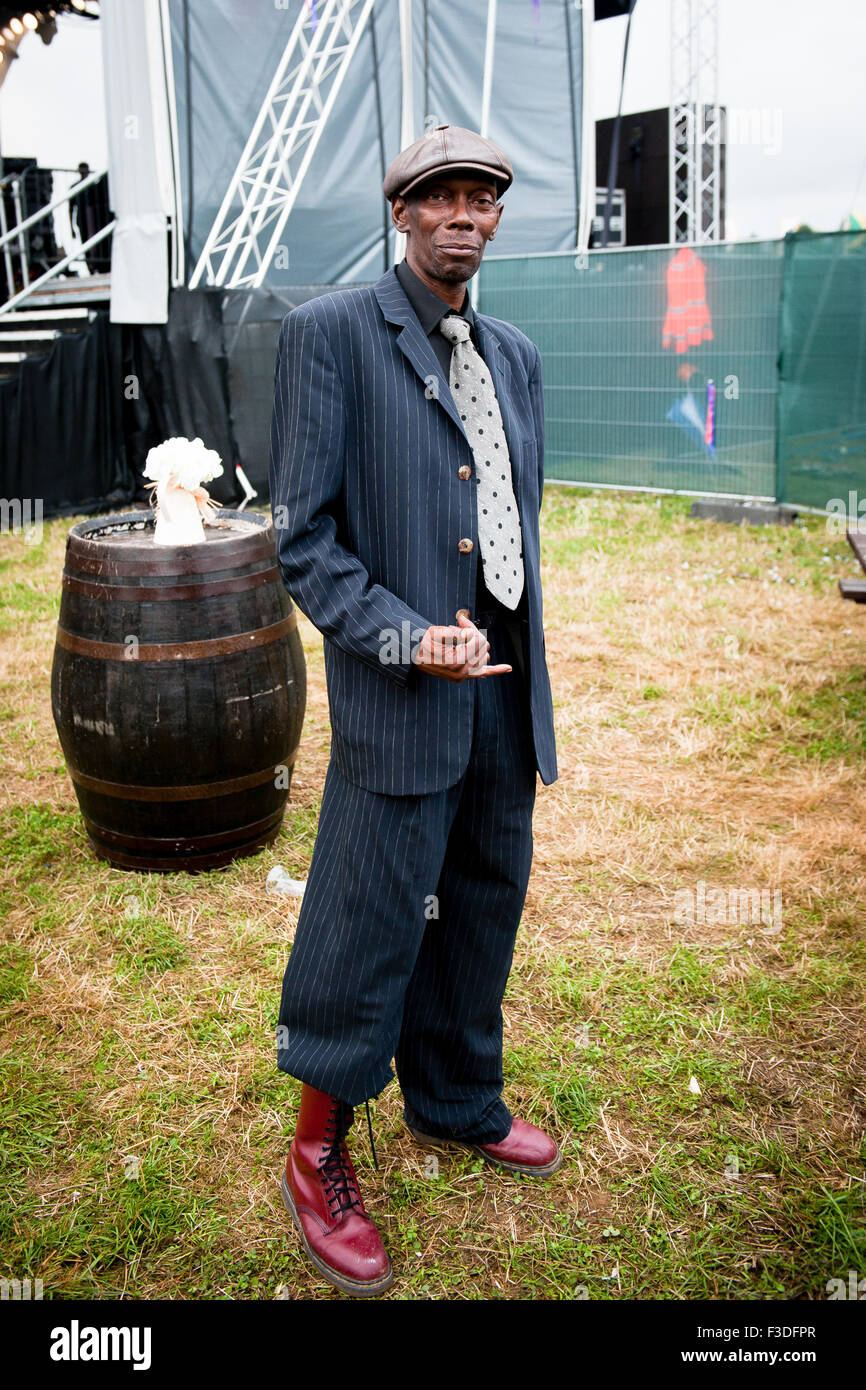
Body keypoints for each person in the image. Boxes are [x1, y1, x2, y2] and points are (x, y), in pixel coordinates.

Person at [268, 124, 559, 1298]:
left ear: (494, 219)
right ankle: (316, 1149)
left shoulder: (517, 354)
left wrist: (498, 649)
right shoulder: (331, 333)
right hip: (401, 687)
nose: (458, 215)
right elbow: (303, 539)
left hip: (501, 687)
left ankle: (454, 1101)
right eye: (435, 196)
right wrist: (402, 635)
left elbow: (510, 516)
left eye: (478, 198)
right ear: (400, 211)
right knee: (368, 918)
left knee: (481, 894)